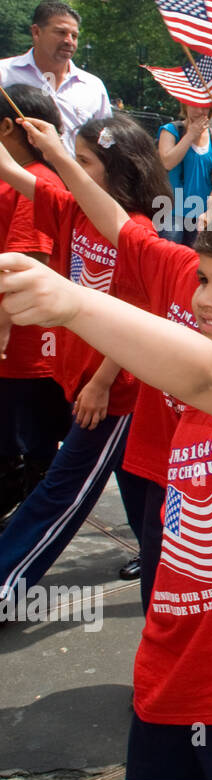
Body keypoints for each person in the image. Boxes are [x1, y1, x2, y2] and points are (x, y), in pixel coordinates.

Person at [0, 202, 212, 780]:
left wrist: (76, 303)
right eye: (203, 279)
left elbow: (204, 373)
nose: (204, 298)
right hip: (175, 657)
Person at [0, 113, 169, 599]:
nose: (74, 168)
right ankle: (162, 552)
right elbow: (16, 173)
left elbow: (137, 317)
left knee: (60, 491)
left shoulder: (135, 233)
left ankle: (8, 581)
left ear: (120, 170)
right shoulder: (74, 210)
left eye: (85, 161)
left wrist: (100, 382)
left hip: (115, 389)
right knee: (135, 478)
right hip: (85, 377)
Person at [0, 86, 67, 523]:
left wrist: (1, 326)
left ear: (8, 127)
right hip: (19, 340)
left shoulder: (37, 180)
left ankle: (29, 518)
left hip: (24, 345)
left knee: (21, 440)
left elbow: (28, 260)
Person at [0, 0, 111, 153]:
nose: (69, 41)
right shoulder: (4, 73)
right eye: (61, 33)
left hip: (71, 175)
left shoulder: (93, 87)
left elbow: (105, 140)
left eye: (74, 35)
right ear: (36, 32)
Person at [157, 103, 212, 246]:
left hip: (202, 213)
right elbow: (167, 162)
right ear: (185, 106)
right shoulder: (171, 130)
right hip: (171, 212)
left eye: (205, 107)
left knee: (194, 264)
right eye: (195, 105)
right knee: (168, 261)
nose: (200, 111)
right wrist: (190, 135)